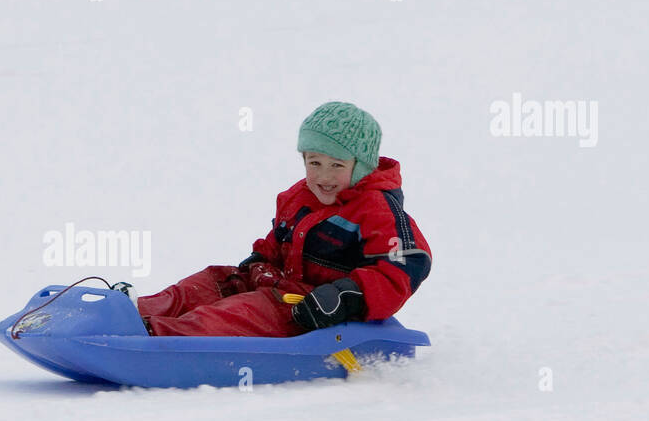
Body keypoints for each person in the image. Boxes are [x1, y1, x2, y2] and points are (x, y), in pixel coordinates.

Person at [132, 101, 432, 337]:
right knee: (211, 281)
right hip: (276, 283)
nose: (323, 176)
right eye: (315, 163)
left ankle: (157, 338)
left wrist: (346, 296)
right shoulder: (297, 196)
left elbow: (406, 263)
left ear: (360, 167)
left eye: (336, 165)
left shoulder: (376, 209)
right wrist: (258, 260)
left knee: (241, 313)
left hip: (310, 308)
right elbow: (278, 240)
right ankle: (133, 313)